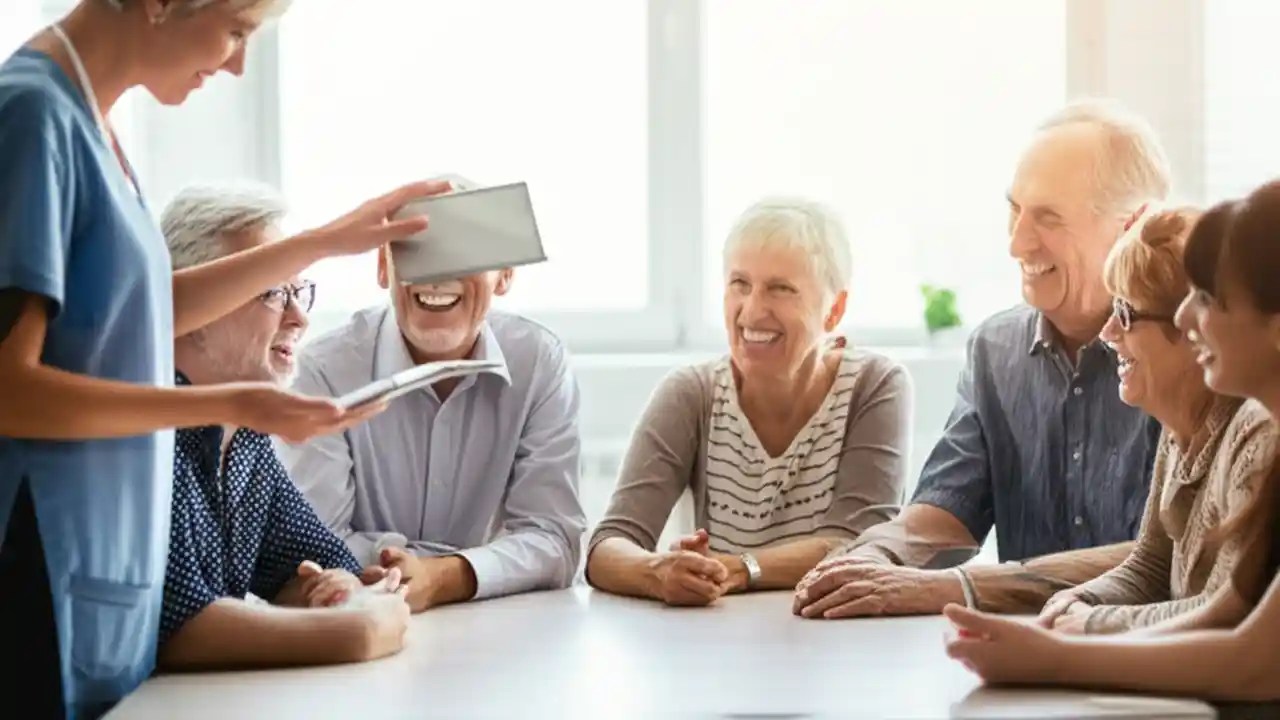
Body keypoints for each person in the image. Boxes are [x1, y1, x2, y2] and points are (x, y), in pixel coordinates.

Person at [0, 2, 443, 716]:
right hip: (38, 577)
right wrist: (231, 403)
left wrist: (323, 241)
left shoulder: (93, 128)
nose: (238, 63)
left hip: (98, 588)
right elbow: (8, 389)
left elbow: (136, 314)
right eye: (237, 29)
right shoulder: (32, 118)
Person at [793, 99, 1170, 621]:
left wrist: (956, 588)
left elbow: (1161, 559)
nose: (1017, 243)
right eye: (1015, 210)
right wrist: (873, 556)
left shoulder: (1185, 354)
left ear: (1133, 227)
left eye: (1048, 218)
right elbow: (946, 512)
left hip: (1145, 651)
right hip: (1022, 652)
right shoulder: (996, 349)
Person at [944, 181, 1280, 702]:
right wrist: (1061, 632)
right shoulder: (1200, 433)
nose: (1186, 318)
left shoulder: (1258, 435)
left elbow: (1252, 660)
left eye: (1208, 299)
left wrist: (1061, 649)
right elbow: (1227, 621)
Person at [281, 177, 587, 612]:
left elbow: (556, 539)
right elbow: (314, 541)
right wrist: (423, 569)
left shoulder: (538, 363)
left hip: (495, 625)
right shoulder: (323, 371)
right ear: (384, 267)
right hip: (361, 615)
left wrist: (443, 577)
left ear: (505, 275)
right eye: (418, 249)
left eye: (465, 250)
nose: (440, 275)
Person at [585, 198, 911, 606]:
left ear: (834, 309)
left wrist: (741, 569)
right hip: (723, 635)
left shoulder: (875, 385)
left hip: (834, 632)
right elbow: (607, 547)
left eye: (781, 289)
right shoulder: (692, 394)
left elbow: (859, 543)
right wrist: (658, 572)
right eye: (740, 284)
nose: (753, 311)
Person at [155, 184, 411, 670]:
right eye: (273, 292)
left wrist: (332, 589)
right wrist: (355, 631)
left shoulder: (247, 437)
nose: (299, 318)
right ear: (193, 302)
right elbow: (176, 627)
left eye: (299, 292)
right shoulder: (149, 428)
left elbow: (311, 564)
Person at [1029, 207, 1275, 635]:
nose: (1107, 332)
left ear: (1194, 331)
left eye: (1126, 313)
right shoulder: (1178, 429)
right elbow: (1150, 566)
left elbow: (1225, 612)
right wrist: (1081, 599)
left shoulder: (1256, 431)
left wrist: (1092, 624)